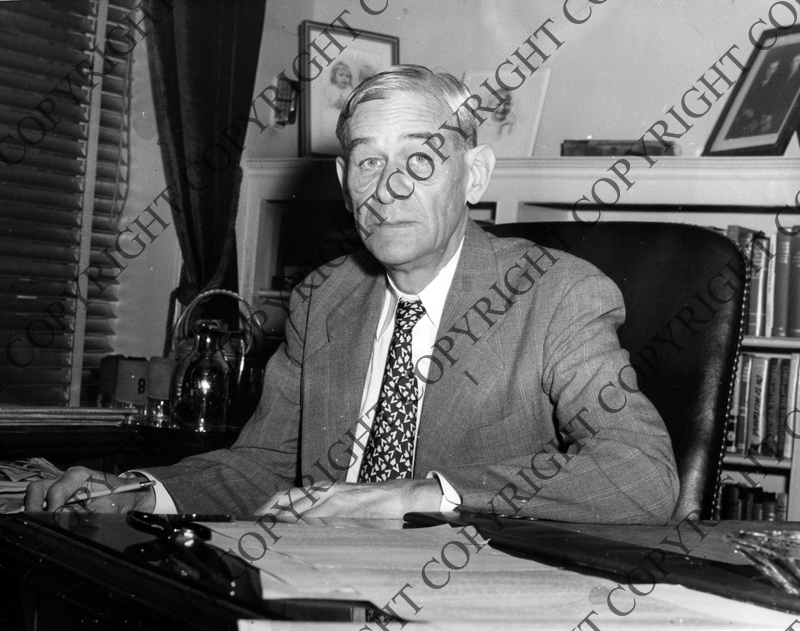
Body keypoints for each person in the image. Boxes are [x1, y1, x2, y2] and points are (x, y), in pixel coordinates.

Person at [26, 65, 678, 524]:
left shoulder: (555, 294)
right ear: (345, 181)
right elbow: (269, 462)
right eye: (368, 161)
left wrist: (424, 495)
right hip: (314, 578)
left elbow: (641, 472)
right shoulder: (324, 297)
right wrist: (142, 492)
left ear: (474, 175)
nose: (387, 187)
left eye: (420, 160)